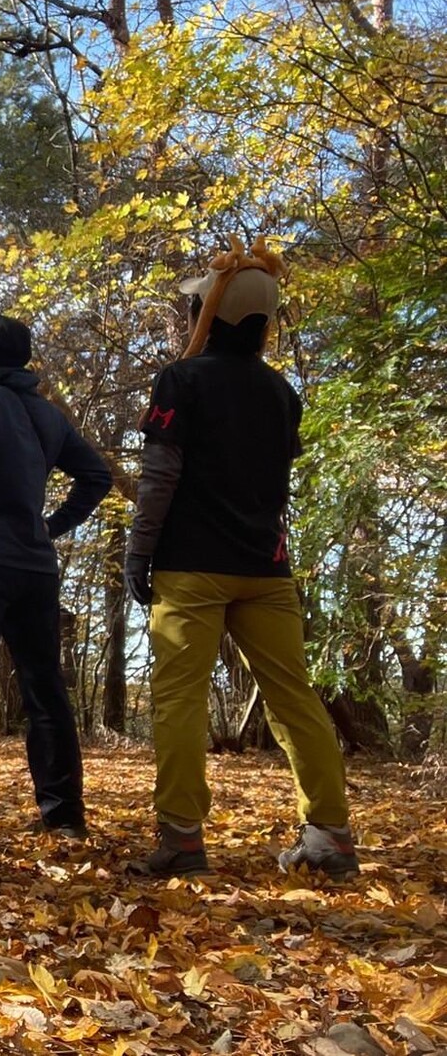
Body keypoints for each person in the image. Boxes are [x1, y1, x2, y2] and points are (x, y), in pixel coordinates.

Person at [124, 235, 359, 880]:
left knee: (179, 700)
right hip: (267, 568)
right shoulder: (282, 393)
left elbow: (159, 479)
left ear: (212, 314)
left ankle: (182, 839)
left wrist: (137, 555)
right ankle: (332, 837)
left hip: (191, 566)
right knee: (295, 700)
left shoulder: (181, 378)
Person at [0, 315, 112, 845]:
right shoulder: (47, 414)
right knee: (45, 687)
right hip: (36, 567)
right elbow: (96, 477)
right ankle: (64, 815)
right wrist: (47, 526)